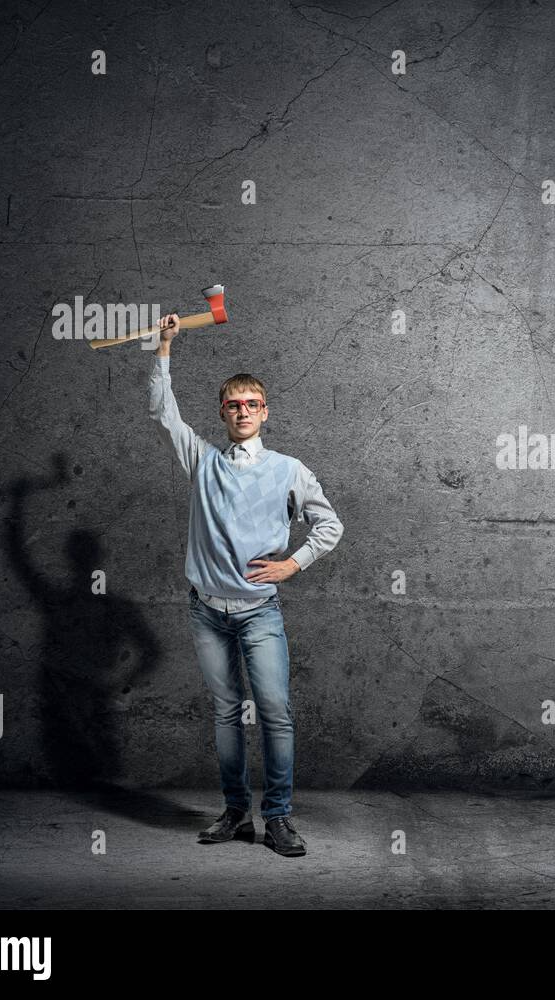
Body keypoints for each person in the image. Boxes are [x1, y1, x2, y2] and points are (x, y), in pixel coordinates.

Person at [148, 311, 344, 857]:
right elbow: (164, 414)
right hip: (205, 609)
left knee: (276, 711)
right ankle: (236, 812)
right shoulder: (203, 460)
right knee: (226, 712)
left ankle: (277, 817)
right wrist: (164, 347)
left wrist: (293, 563)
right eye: (233, 404)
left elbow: (330, 525)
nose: (242, 411)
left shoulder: (288, 469)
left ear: (265, 412)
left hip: (260, 610)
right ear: (222, 412)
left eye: (252, 404)